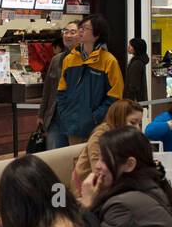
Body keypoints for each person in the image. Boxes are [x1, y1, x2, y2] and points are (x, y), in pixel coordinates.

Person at [55, 14, 125, 143]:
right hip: (73, 126)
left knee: (97, 161)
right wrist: (66, 114)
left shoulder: (109, 61)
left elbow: (115, 96)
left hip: (99, 128)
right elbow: (61, 91)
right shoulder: (69, 59)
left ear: (97, 34)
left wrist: (95, 117)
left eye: (85, 28)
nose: (80, 31)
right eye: (80, 27)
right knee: (76, 162)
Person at [71, 99, 143, 195]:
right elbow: (99, 175)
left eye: (140, 124)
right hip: (87, 190)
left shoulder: (125, 136)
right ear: (119, 119)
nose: (138, 128)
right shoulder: (99, 138)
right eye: (133, 123)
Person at [39, 22, 82, 149]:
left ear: (81, 35)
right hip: (55, 118)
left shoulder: (87, 59)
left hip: (76, 119)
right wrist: (41, 115)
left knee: (74, 158)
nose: (68, 35)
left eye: (72, 32)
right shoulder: (56, 59)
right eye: (66, 31)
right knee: (54, 158)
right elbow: (48, 89)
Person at [123, 37, 149, 102]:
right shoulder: (138, 61)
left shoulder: (137, 63)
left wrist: (129, 101)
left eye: (130, 45)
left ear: (136, 48)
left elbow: (133, 85)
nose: (128, 47)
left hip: (133, 101)